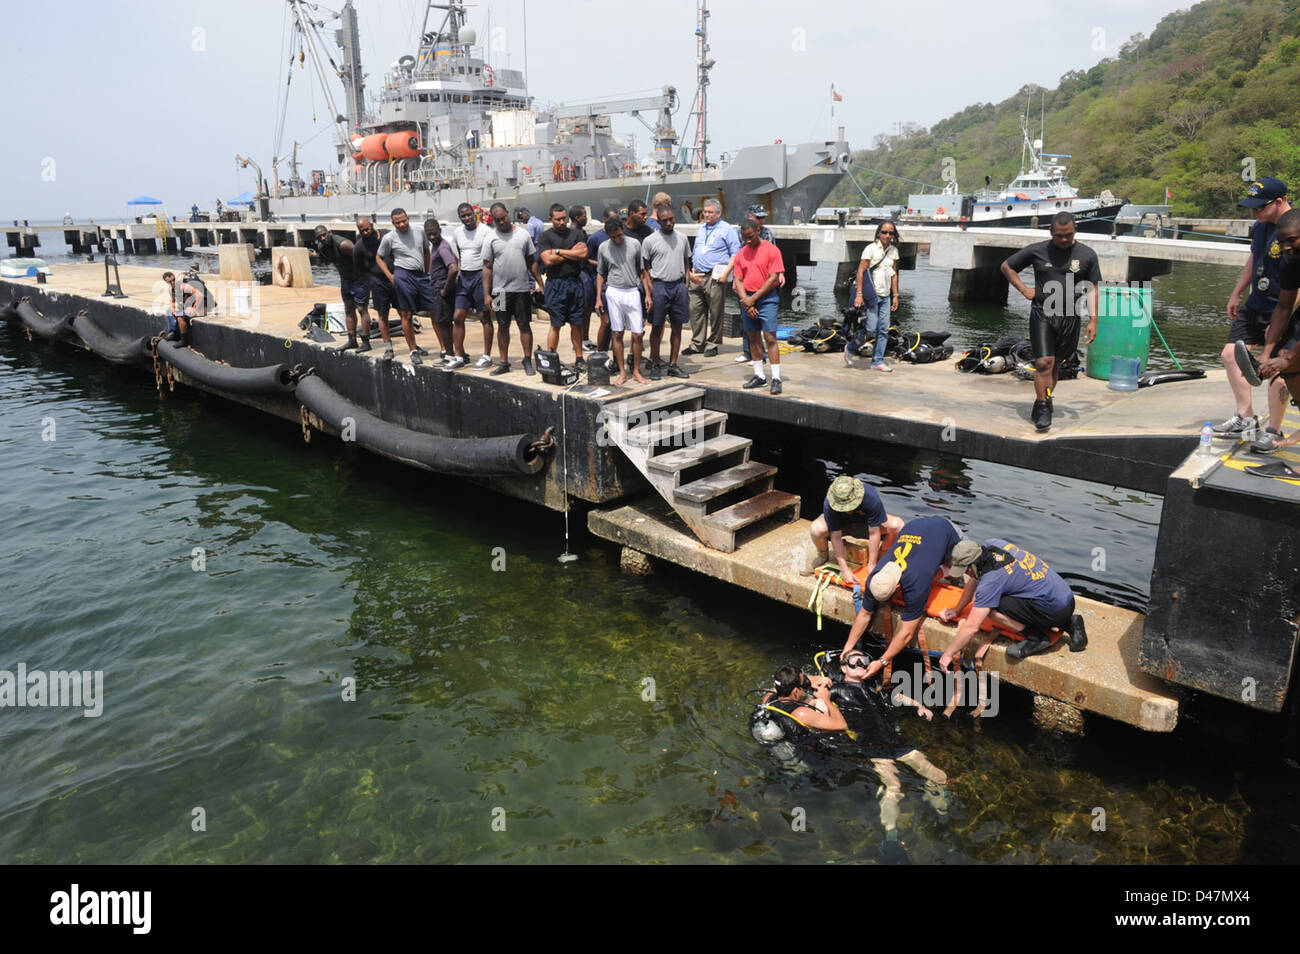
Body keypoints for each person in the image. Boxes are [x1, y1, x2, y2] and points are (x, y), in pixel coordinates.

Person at [840, 515, 982, 672]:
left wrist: (882, 661)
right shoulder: (876, 577)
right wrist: (848, 647)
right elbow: (865, 614)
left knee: (970, 572)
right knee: (928, 567)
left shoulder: (916, 582)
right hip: (915, 527)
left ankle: (946, 570)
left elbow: (907, 633)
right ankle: (943, 569)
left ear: (898, 586)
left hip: (944, 529)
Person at [1000, 212, 1101, 431]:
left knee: (1055, 364)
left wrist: (1094, 320)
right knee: (1044, 362)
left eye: (1069, 235)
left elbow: (1093, 288)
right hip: (1042, 313)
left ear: (1075, 231)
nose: (1064, 239)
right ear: (1051, 233)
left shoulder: (1087, 255)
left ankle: (1044, 399)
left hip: (1070, 316)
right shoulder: (1037, 250)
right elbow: (1007, 267)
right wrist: (1024, 289)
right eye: (1059, 236)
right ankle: (1043, 406)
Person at [832, 650, 949, 837]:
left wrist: (919, 705)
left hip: (896, 742)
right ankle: (891, 835)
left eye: (864, 660)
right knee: (894, 786)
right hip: (872, 747)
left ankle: (942, 816)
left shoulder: (874, 685)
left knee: (939, 776)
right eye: (854, 661)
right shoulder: (836, 690)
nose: (861, 664)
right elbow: (816, 702)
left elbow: (897, 695)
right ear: (844, 667)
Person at [936, 539, 1089, 668]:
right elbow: (975, 578)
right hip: (1066, 598)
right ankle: (1070, 623)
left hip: (1053, 611)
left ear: (973, 565)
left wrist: (948, 654)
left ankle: (1036, 637)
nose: (965, 574)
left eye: (966, 570)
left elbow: (971, 627)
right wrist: (957, 609)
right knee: (1007, 590)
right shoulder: (993, 545)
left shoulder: (990, 580)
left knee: (987, 606)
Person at [1220, 178, 1293, 440]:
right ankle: (1246, 417)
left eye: (1259, 208)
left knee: (1278, 367)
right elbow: (1254, 258)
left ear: (1279, 202)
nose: (1254, 213)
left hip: (1283, 307)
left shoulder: (1294, 229)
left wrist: (1278, 326)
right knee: (1230, 355)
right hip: (1256, 302)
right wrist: (1237, 292)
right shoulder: (1260, 226)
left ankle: (1273, 429)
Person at [802, 475, 904, 579]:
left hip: (865, 525)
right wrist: (844, 570)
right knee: (816, 529)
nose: (847, 510)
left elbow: (874, 532)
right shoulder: (829, 503)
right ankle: (822, 556)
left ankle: (882, 557)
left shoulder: (870, 496)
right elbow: (836, 536)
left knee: (897, 525)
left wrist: (872, 564)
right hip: (842, 526)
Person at [1253, 210, 1300, 435]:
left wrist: (1290, 357)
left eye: (1292, 241)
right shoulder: (1290, 263)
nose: (1286, 248)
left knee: (1289, 358)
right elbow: (1283, 308)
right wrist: (1267, 352)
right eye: (1282, 243)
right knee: (1286, 362)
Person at [482, 202, 541, 376]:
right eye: (497, 220)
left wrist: (540, 283)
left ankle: (527, 359)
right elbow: (486, 268)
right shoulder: (490, 238)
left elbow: (532, 261)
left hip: (522, 290)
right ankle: (504, 362)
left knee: (524, 324)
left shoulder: (523, 235)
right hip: (499, 292)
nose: (501, 222)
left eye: (504, 218)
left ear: (508, 214)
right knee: (502, 325)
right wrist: (486, 294)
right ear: (493, 220)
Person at [732, 218, 786, 395]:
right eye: (744, 238)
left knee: (770, 337)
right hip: (747, 299)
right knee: (753, 338)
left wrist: (752, 299)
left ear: (758, 231)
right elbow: (737, 280)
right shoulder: (741, 253)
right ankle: (759, 375)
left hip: (766, 298)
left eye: (750, 237)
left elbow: (773, 278)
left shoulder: (772, 250)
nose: (748, 241)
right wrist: (746, 301)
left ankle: (776, 377)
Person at [641, 206, 693, 381]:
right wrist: (650, 290)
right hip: (660, 286)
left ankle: (673, 364)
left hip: (678, 286)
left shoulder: (683, 238)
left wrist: (685, 283)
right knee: (657, 327)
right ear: (658, 221)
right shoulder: (649, 241)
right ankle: (655, 364)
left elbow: (686, 262)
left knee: (677, 327)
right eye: (665, 220)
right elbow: (645, 267)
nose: (669, 223)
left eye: (671, 219)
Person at [595, 217, 648, 386]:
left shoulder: (635, 244)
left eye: (619, 235)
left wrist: (647, 294)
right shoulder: (603, 247)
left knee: (638, 333)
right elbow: (601, 273)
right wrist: (598, 298)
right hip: (613, 291)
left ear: (622, 230)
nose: (617, 240)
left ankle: (636, 371)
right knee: (617, 333)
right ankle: (622, 372)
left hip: (632, 290)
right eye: (613, 237)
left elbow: (642, 271)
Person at [375, 208, 431, 363]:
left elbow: (426, 251)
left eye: (404, 220)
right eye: (397, 222)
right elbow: (379, 257)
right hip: (403, 274)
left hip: (421, 275)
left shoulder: (420, 231)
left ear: (408, 218)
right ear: (393, 223)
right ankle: (412, 350)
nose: (401, 224)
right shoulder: (389, 238)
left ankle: (445, 350)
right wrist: (390, 276)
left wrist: (427, 272)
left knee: (433, 310)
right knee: (406, 314)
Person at [686, 198, 740, 357]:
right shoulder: (702, 228)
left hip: (715, 276)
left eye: (710, 212)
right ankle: (697, 343)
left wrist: (726, 274)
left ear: (719, 213)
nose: (707, 215)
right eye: (705, 211)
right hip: (698, 275)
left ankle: (713, 343)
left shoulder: (727, 229)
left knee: (716, 311)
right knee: (695, 309)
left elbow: (735, 254)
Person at [538, 202, 589, 368]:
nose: (562, 222)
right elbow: (547, 260)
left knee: (576, 323)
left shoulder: (576, 234)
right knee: (556, 324)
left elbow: (583, 253)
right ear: (550, 219)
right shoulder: (545, 237)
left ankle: (579, 358)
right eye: (558, 219)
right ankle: (551, 357)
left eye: (564, 219)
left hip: (574, 282)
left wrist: (558, 251)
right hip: (555, 284)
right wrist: (571, 253)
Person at [849, 222, 901, 372]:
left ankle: (877, 361)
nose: (887, 235)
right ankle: (851, 347)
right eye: (884, 232)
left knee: (884, 329)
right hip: (872, 295)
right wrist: (859, 295)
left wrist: (896, 295)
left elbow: (894, 274)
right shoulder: (870, 249)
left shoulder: (893, 251)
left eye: (891, 233)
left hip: (886, 296)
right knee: (871, 328)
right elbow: (860, 272)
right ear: (879, 233)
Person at [446, 202, 490, 369]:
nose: (467, 218)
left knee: (484, 317)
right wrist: (458, 271)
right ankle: (459, 356)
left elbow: (490, 258)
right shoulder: (457, 233)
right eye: (463, 216)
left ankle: (486, 356)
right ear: (460, 217)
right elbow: (458, 254)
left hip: (481, 276)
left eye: (469, 214)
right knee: (457, 317)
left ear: (474, 214)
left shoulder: (486, 231)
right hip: (465, 277)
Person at [310, 225, 366, 351]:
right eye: (319, 237)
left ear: (329, 233)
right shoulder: (322, 248)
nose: (323, 238)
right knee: (349, 309)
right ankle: (352, 341)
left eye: (324, 235)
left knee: (362, 309)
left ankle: (366, 341)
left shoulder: (343, 244)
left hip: (359, 280)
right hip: (345, 280)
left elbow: (362, 256)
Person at [351, 217, 391, 353]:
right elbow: (358, 267)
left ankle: (413, 346)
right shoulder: (360, 246)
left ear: (372, 225)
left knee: (405, 312)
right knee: (382, 315)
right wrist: (370, 280)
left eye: (367, 229)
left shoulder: (387, 235)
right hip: (377, 282)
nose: (366, 233)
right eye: (362, 231)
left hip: (395, 278)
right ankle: (388, 346)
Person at [585, 207, 621, 358]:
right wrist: (602, 265)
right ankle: (600, 355)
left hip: (618, 283)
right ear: (605, 220)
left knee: (616, 323)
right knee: (605, 322)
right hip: (602, 282)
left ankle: (614, 354)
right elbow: (587, 258)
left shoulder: (622, 237)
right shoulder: (596, 238)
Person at [424, 218, 460, 360]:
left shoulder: (442, 247)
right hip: (440, 285)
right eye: (429, 235)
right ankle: (457, 353)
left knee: (444, 323)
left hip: (442, 287)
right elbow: (455, 260)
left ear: (440, 231)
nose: (432, 237)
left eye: (434, 233)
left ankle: (450, 356)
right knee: (447, 323)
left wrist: (445, 289)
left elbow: (453, 268)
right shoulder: (437, 245)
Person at [570, 205, 598, 351]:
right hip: (580, 274)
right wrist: (599, 263)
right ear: (577, 218)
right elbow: (582, 257)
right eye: (584, 216)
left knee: (587, 308)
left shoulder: (580, 232)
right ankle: (578, 342)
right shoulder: (576, 234)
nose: (586, 218)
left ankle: (585, 339)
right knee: (581, 309)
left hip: (584, 273)